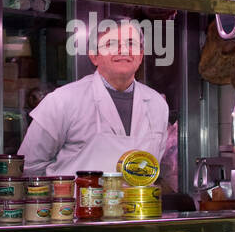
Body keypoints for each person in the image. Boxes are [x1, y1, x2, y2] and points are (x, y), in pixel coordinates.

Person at [19, 18, 169, 176]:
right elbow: (29, 167)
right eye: (111, 43)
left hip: (138, 201)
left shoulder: (157, 105)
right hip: (76, 201)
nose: (124, 50)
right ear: (94, 56)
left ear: (140, 55)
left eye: (131, 43)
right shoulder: (62, 101)